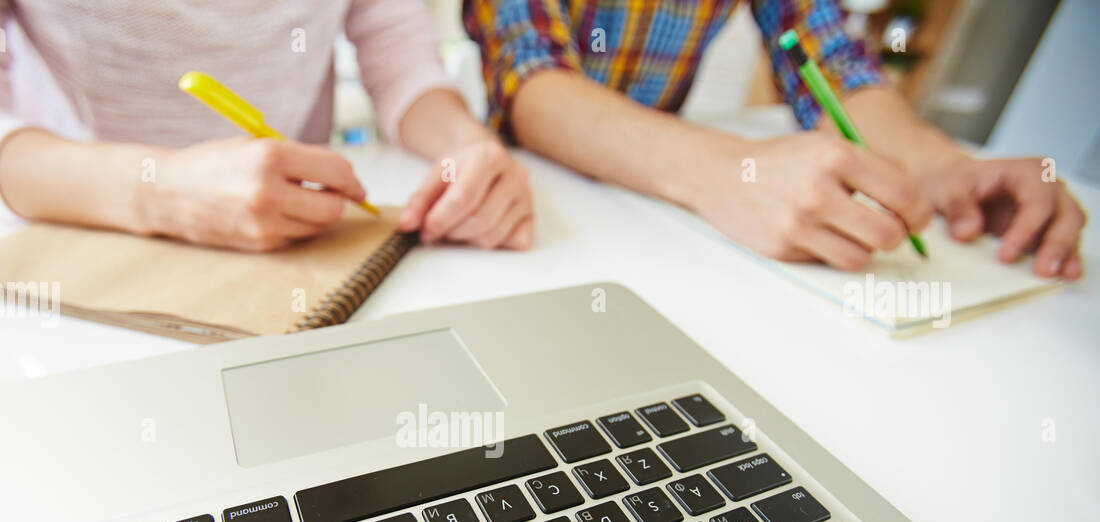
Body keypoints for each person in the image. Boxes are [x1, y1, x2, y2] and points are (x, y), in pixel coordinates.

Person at [464, 0, 1085, 277]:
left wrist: (943, 164)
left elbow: (829, 59)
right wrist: (733, 174)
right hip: (533, 196)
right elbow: (530, 79)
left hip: (657, 207)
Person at [0, 1, 534, 252]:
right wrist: (161, 189)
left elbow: (403, 67)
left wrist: (470, 148)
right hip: (82, 247)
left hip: (304, 247)